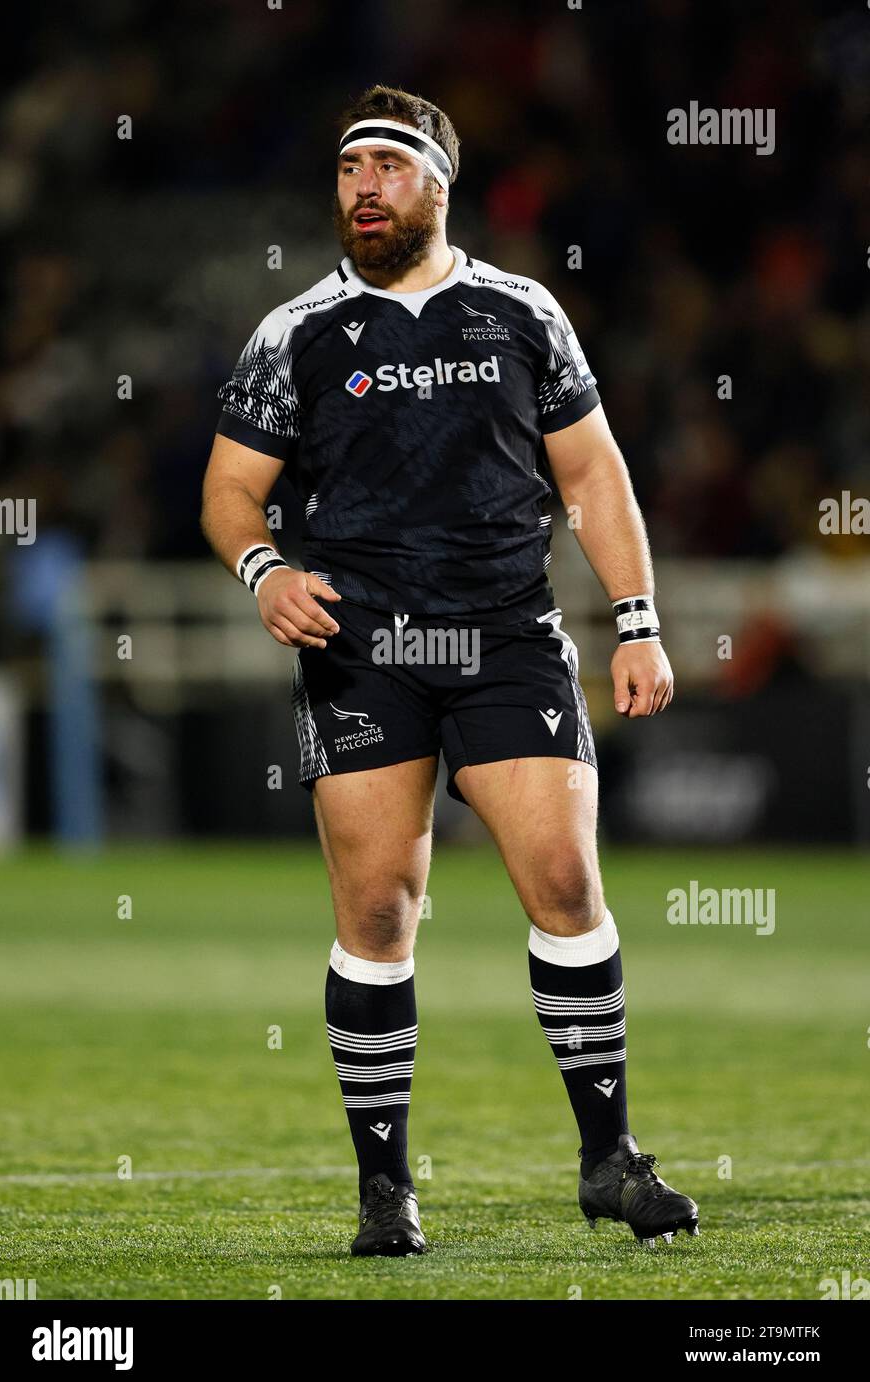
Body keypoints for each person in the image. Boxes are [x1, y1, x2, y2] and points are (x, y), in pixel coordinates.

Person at [201, 84, 699, 1256]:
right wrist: (266, 569)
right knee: (379, 913)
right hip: (359, 646)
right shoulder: (296, 332)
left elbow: (593, 476)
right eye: (346, 170)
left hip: (506, 635)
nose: (362, 188)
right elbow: (230, 488)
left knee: (567, 884)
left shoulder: (520, 313)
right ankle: (385, 1190)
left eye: (386, 167)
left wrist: (637, 619)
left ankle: (609, 1159)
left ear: (437, 183)